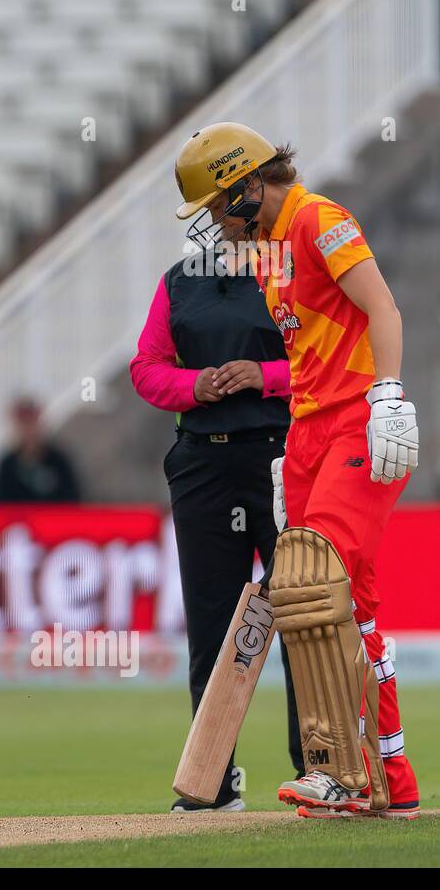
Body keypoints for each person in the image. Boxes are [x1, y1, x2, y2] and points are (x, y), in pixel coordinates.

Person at [174, 122, 420, 819]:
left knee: (316, 589)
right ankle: (390, 780)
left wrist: (389, 395)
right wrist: (294, 453)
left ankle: (339, 770)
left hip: (357, 419)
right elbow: (308, 350)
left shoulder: (320, 218)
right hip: (310, 431)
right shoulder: (264, 249)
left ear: (251, 184)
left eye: (218, 206)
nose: (215, 225)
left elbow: (383, 307)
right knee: (355, 610)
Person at [130, 235, 302, 812]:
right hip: (204, 460)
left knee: (303, 618)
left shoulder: (289, 272)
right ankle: (214, 783)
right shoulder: (179, 280)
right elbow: (147, 368)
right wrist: (193, 387)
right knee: (211, 626)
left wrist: (263, 375)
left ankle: (320, 772)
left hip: (281, 458)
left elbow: (321, 362)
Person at [0, 397, 81, 504]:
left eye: (31, 421)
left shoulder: (59, 460)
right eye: (23, 423)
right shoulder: (7, 464)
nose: (27, 429)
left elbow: (73, 499)